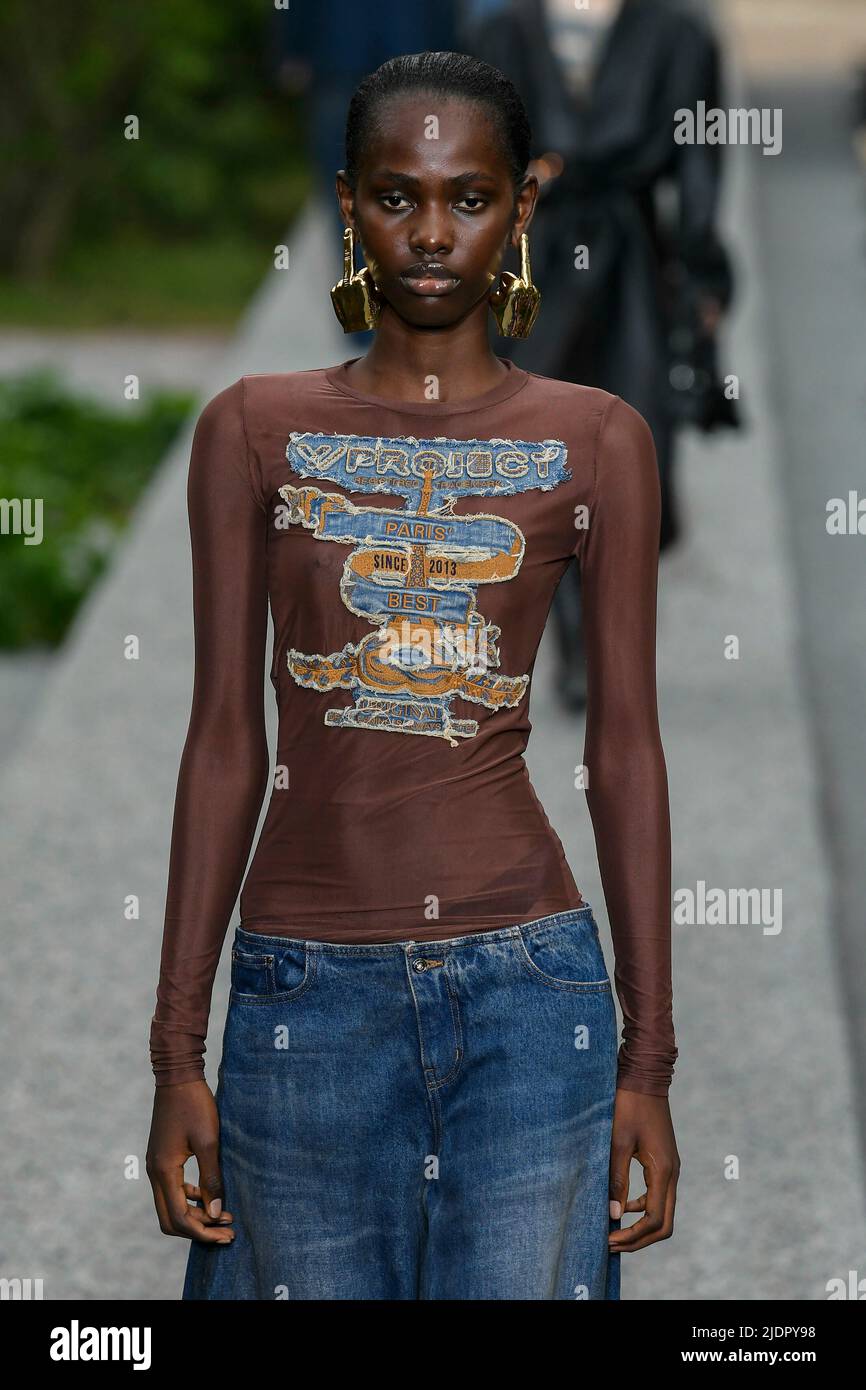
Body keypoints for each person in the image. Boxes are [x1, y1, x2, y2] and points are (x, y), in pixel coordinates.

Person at [146, 50, 680, 1302]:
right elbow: (224, 737)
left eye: (467, 197)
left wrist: (646, 1062)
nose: (431, 233)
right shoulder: (248, 429)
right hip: (300, 995)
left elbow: (625, 750)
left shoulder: (597, 440)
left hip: (529, 994)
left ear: (521, 209)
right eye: (397, 197)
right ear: (347, 204)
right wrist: (176, 1053)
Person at [462, 0, 737, 708]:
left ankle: (602, 634)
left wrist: (704, 276)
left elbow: (700, 163)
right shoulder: (500, 34)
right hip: (532, 266)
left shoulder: (678, 37)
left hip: (634, 266)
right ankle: (579, 640)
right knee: (541, 457)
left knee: (629, 452)